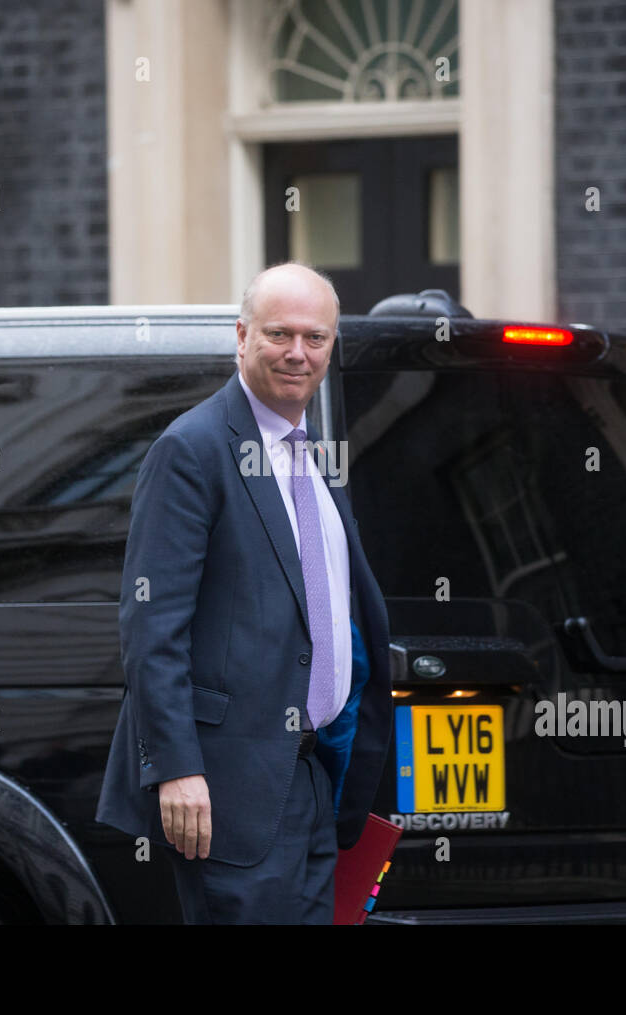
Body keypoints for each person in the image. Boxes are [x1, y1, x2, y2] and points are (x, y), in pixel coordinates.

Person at [95, 261, 394, 924]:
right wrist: (176, 769)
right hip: (226, 790)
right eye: (279, 334)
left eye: (315, 338)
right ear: (241, 336)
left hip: (316, 780)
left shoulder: (313, 455)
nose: (297, 352)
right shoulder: (192, 449)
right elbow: (153, 626)